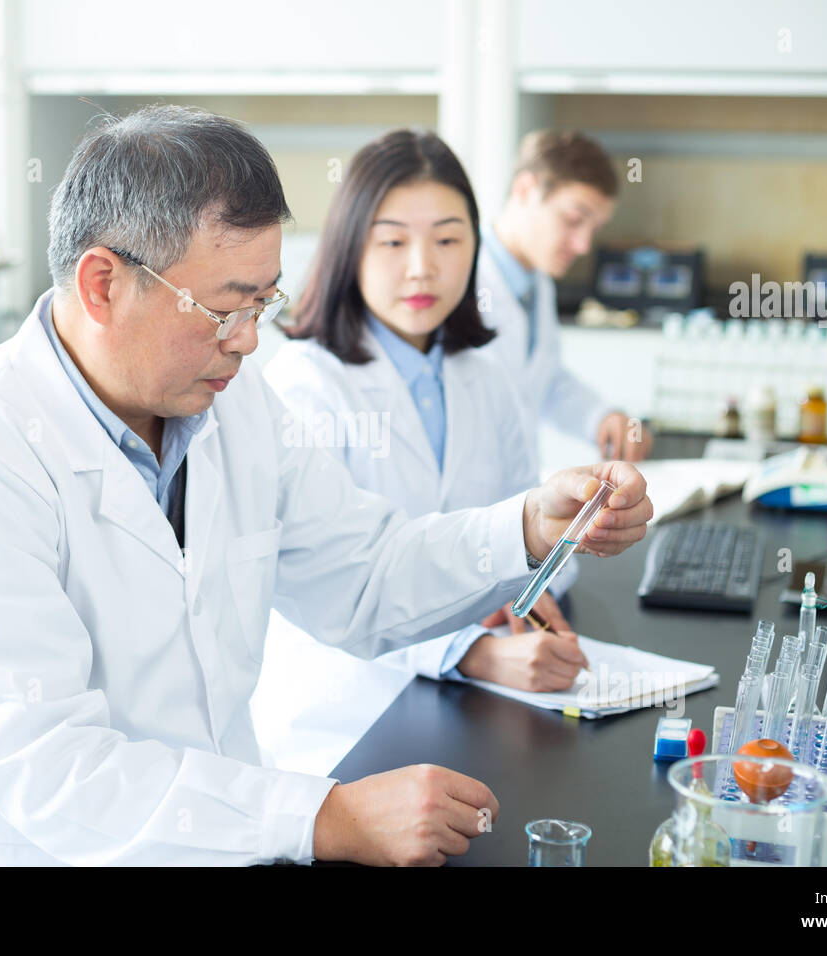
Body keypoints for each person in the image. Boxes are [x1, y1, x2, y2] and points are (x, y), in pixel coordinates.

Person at [0, 105, 651, 867]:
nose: (247, 342)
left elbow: (365, 572)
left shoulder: (231, 408)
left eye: (263, 303)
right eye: (223, 309)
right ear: (101, 284)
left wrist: (529, 526)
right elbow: (55, 770)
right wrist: (323, 815)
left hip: (219, 833)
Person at [251, 129, 590, 777]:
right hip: (345, 728)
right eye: (393, 241)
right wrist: (468, 650)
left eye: (447, 239)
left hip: (474, 711)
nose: (421, 267)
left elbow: (525, 524)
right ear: (351, 247)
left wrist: (527, 592)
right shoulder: (304, 386)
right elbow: (320, 590)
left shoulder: (484, 376)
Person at [480, 129, 655, 463]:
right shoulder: (460, 281)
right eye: (574, 220)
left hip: (515, 499)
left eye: (594, 228)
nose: (583, 245)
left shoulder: (538, 282)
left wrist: (602, 418)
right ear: (525, 190)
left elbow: (543, 382)